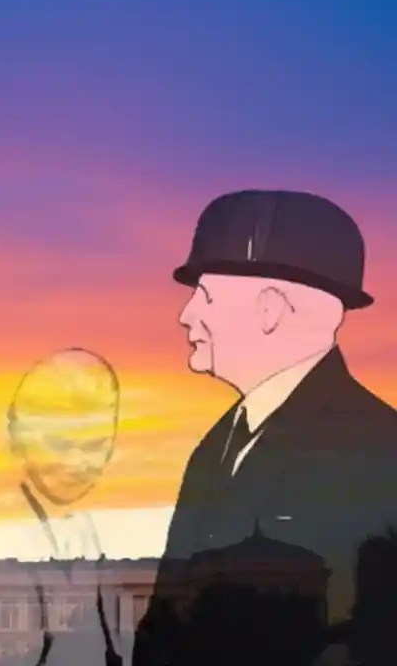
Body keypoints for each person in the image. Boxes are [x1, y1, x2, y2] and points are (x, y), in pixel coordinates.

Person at [133, 190, 397, 666]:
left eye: (206, 295)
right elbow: (164, 623)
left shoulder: (380, 449)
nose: (186, 314)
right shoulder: (213, 449)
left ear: (270, 309)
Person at [8, 348, 122, 665]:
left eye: (96, 445)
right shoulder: (3, 533)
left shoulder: (93, 535)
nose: (76, 463)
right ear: (16, 435)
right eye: (59, 444)